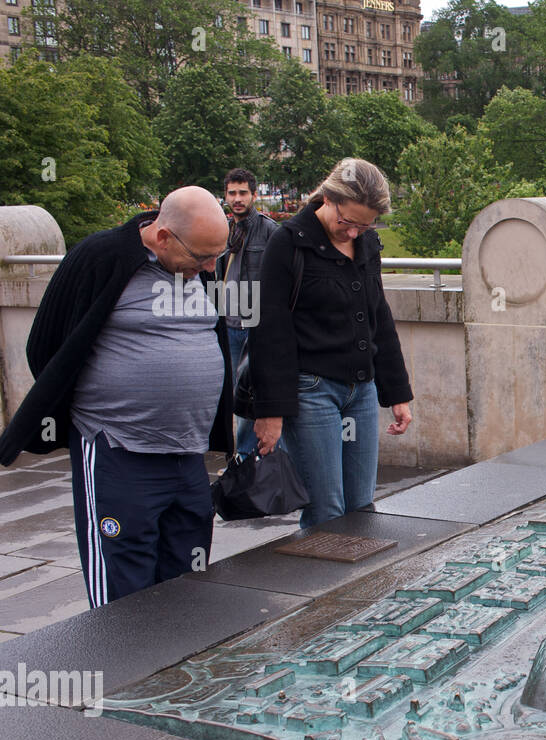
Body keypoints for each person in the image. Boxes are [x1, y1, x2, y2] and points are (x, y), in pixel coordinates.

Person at [0, 187, 235, 606]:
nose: (210, 267)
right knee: (123, 594)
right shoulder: (100, 256)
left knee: (187, 581)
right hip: (117, 449)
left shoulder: (196, 264)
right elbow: (45, 345)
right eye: (201, 257)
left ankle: (179, 670)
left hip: (187, 454)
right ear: (163, 237)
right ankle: (124, 673)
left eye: (216, 255)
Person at [247, 158, 413, 529]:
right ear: (328, 198)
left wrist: (397, 392)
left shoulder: (367, 242)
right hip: (311, 390)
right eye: (347, 221)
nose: (354, 232)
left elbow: (378, 318)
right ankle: (327, 587)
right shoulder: (288, 243)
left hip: (362, 390)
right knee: (327, 510)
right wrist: (270, 411)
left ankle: (362, 587)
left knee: (361, 506)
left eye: (365, 224)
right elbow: (268, 328)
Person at [216, 168, 279, 458]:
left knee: (251, 394)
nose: (237, 199)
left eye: (243, 193)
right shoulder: (221, 229)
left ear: (254, 195)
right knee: (233, 394)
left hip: (256, 324)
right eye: (232, 193)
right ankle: (242, 459)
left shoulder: (269, 231)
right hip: (226, 323)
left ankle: (250, 458)